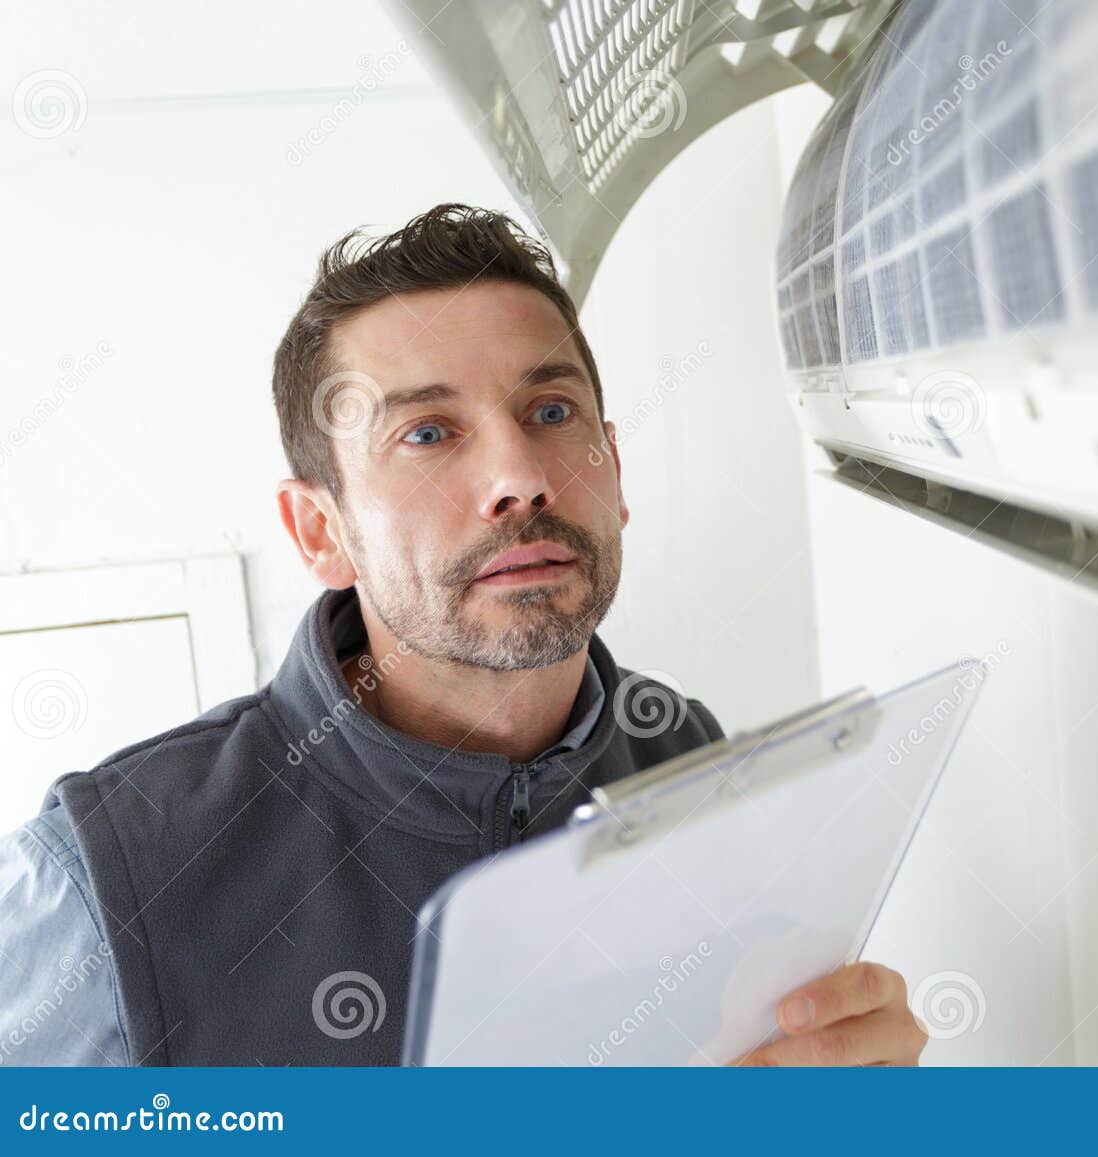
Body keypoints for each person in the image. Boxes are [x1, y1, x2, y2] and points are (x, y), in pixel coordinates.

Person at [0, 204, 928, 1067]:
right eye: (429, 433)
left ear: (614, 467)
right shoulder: (109, 876)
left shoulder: (691, 760)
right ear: (320, 531)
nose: (520, 476)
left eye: (550, 413)